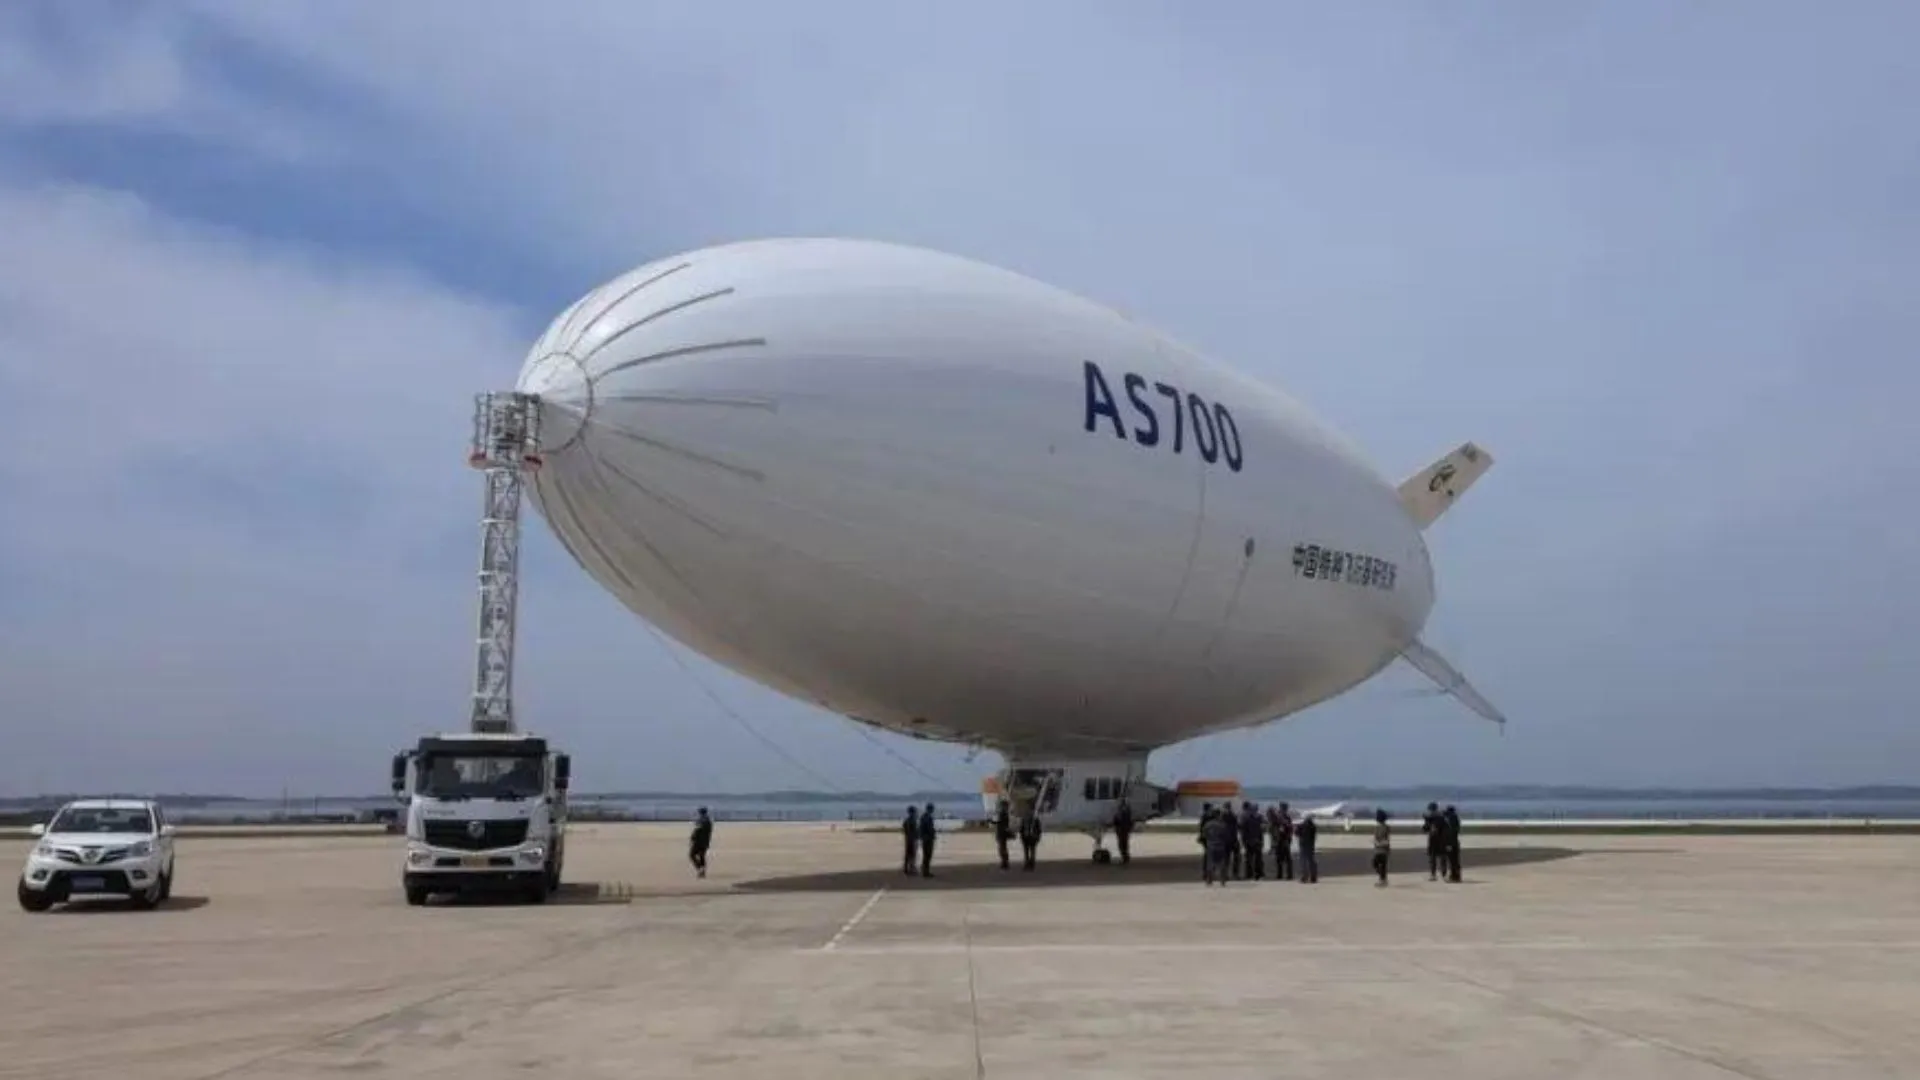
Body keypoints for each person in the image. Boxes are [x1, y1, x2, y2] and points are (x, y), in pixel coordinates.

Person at [1202, 806, 1235, 885]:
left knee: (1210, 863)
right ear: (1219, 815)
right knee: (1222, 863)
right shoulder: (1223, 825)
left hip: (1211, 845)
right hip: (1220, 846)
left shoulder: (1208, 824)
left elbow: (1204, 835)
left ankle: (1209, 879)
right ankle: (1222, 880)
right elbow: (1227, 836)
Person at [1239, 801, 1265, 880]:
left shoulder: (1247, 818)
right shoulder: (1260, 818)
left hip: (1251, 840)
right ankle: (1257, 874)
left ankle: (1251, 874)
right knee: (1256, 858)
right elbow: (1262, 829)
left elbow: (1243, 829)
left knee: (1250, 858)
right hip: (1256, 840)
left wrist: (1244, 840)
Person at [1422, 802, 1445, 881]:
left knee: (1437, 857)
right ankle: (1438, 874)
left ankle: (1438, 874)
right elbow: (1425, 829)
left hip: (1436, 839)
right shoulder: (1440, 817)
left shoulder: (1437, 818)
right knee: (1436, 857)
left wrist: (1427, 821)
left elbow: (1425, 829)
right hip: (1436, 839)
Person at [1272, 802, 1294, 881]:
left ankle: (1287, 874)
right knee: (1280, 859)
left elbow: (1289, 828)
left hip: (1283, 839)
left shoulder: (1285, 817)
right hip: (1281, 839)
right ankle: (1281, 874)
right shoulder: (1281, 817)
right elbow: (1274, 826)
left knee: (1286, 859)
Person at [689, 807, 713, 878]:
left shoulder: (702, 821)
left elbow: (697, 831)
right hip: (705, 842)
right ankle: (702, 871)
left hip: (698, 842)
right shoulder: (708, 821)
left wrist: (692, 838)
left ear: (700, 813)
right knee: (702, 856)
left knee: (692, 855)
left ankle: (700, 868)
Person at [1371, 808, 1392, 887]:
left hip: (1383, 849)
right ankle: (1383, 878)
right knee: (1375, 864)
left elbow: (1387, 840)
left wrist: (1380, 843)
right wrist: (1376, 842)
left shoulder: (1386, 827)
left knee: (1382, 865)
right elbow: (1375, 838)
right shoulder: (1376, 828)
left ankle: (1382, 879)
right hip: (1378, 849)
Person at [917, 801, 939, 876]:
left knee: (926, 855)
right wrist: (933, 834)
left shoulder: (924, 817)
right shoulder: (928, 817)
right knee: (927, 855)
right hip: (928, 839)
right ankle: (925, 871)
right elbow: (929, 828)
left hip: (925, 838)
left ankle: (925, 870)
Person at [1296, 812, 1318, 883]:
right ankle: (1313, 877)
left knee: (1303, 861)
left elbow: (1296, 833)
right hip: (1310, 844)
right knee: (1311, 860)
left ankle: (1304, 877)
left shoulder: (1301, 825)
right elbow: (1313, 836)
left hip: (1303, 844)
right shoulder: (1313, 826)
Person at [1111, 798, 1134, 866]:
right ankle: (1125, 857)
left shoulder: (1120, 812)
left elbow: (1116, 821)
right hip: (1125, 830)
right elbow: (1131, 821)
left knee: (1122, 844)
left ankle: (1124, 857)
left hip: (1121, 830)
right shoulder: (1127, 812)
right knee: (1125, 844)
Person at [1444, 804, 1463, 883]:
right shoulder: (1456, 819)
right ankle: (1457, 876)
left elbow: (1450, 833)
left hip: (1451, 843)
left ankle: (1454, 877)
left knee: (1452, 861)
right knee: (1456, 861)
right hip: (1455, 842)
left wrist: (1448, 844)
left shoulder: (1451, 820)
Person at [993, 798, 1013, 870]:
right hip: (1001, 833)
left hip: (1001, 833)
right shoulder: (1004, 813)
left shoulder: (1002, 813)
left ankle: (1005, 863)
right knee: (1002, 848)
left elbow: (1000, 822)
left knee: (1002, 848)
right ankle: (1005, 862)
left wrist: (992, 821)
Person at [901, 806, 921, 875]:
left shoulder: (906, 820)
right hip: (913, 840)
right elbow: (915, 831)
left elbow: (905, 829)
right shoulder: (913, 820)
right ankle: (912, 869)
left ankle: (906, 869)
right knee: (912, 855)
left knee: (908, 855)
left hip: (908, 839)